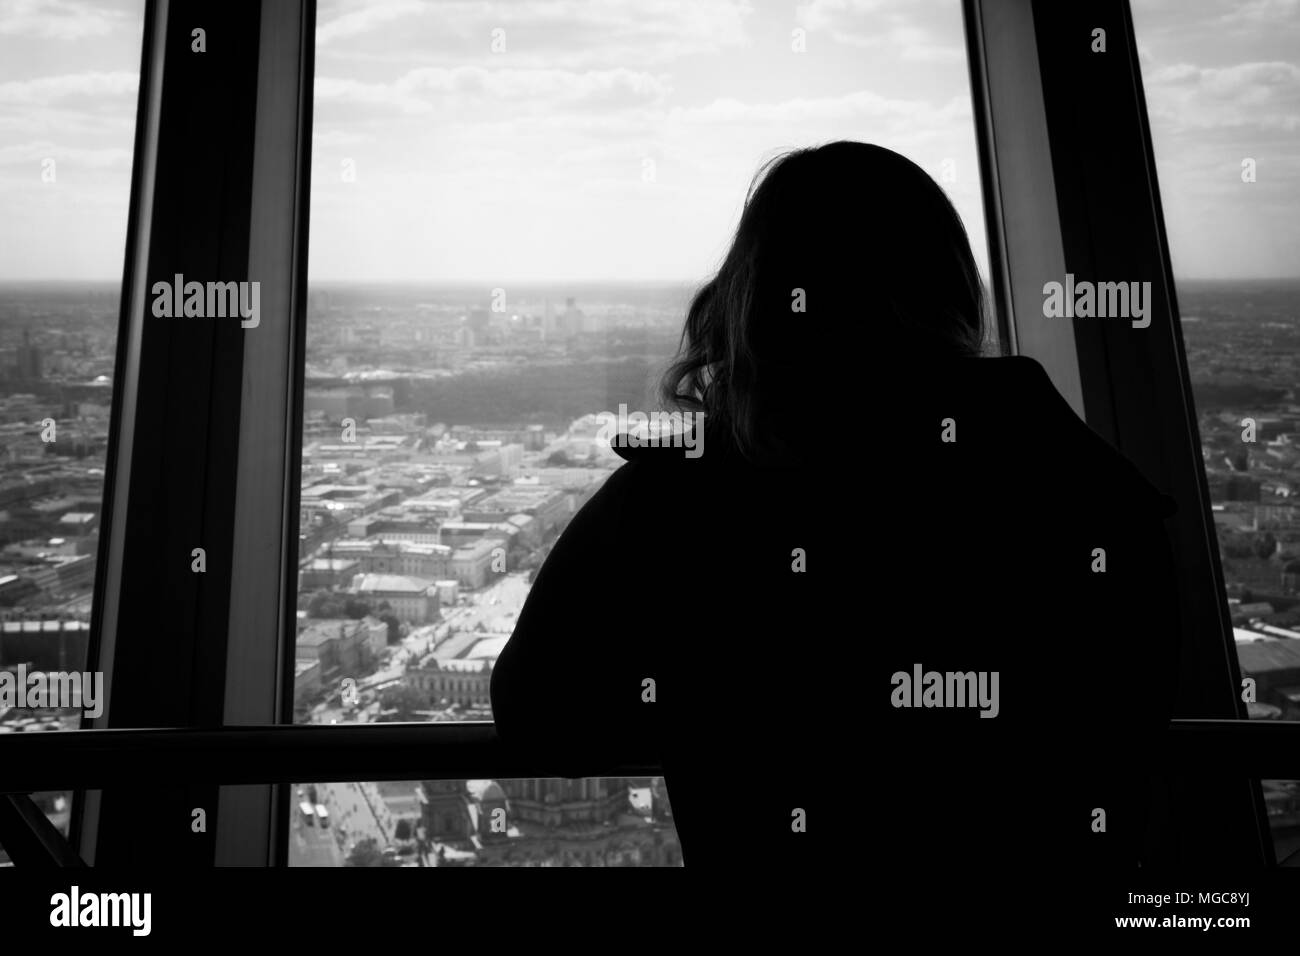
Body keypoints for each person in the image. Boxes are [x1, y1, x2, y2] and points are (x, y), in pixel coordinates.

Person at [489, 142, 1180, 884]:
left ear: (754, 303)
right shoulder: (1098, 494)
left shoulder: (687, 497)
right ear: (951, 291)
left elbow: (538, 717)